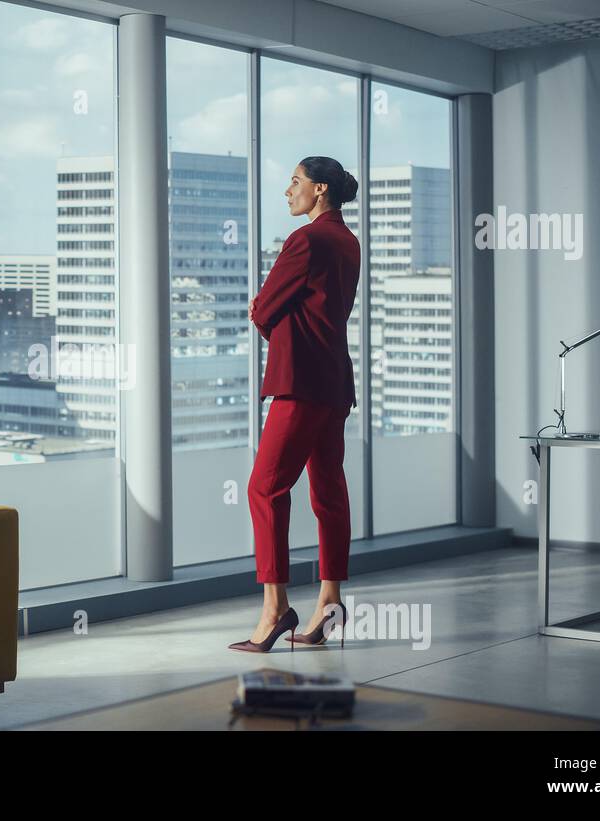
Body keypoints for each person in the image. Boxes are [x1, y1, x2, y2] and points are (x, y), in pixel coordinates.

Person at [228, 155, 360, 652]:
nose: (288, 191)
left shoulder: (305, 239)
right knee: (328, 490)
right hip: (334, 383)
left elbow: (264, 308)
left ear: (320, 190)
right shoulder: (348, 242)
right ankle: (330, 601)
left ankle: (275, 608)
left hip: (300, 383)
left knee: (265, 488)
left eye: (295, 182)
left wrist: (262, 312)